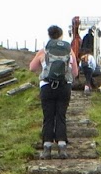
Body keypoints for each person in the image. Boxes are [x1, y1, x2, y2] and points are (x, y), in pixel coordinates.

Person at [28, 24, 77, 157]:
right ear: (61, 36)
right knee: (61, 116)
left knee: (48, 117)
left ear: (49, 36)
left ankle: (47, 148)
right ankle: (62, 147)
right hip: (64, 86)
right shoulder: (69, 50)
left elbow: (32, 68)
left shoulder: (44, 50)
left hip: (47, 86)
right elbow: (75, 72)